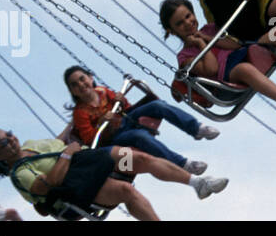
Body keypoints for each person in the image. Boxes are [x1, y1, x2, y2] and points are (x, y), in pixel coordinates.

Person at [0, 127, 227, 222]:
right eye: (3, 143)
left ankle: (197, 183)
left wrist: (72, 129)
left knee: (139, 158)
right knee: (126, 191)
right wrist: (68, 154)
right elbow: (51, 183)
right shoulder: (20, 174)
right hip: (78, 187)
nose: (10, 140)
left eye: (8, 134)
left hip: (93, 161)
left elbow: (59, 144)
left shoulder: (32, 143)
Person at [162, 0, 276, 125]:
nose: (188, 23)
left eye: (188, 16)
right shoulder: (184, 57)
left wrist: (207, 38)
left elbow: (234, 44)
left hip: (241, 53)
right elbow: (211, 69)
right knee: (244, 70)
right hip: (226, 77)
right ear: (171, 30)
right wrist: (201, 44)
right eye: (180, 23)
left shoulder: (209, 29)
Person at [63, 66, 220, 174]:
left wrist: (121, 100)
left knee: (157, 105)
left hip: (125, 120)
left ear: (90, 78)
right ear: (73, 91)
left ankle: (196, 129)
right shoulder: (80, 113)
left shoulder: (102, 91)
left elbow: (125, 107)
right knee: (139, 136)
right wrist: (101, 122)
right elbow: (90, 140)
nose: (81, 85)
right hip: (113, 137)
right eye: (75, 85)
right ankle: (183, 164)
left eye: (82, 79)